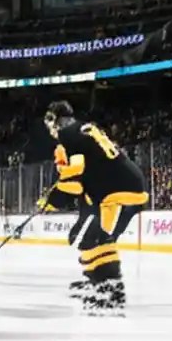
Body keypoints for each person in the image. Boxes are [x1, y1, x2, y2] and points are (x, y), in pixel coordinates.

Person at [43, 100, 148, 313]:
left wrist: (53, 200)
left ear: (57, 119)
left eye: (50, 120)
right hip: (111, 189)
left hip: (119, 190)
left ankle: (111, 290)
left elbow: (75, 176)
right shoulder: (80, 130)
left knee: (98, 238)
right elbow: (81, 178)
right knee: (87, 238)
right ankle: (98, 283)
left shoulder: (69, 135)